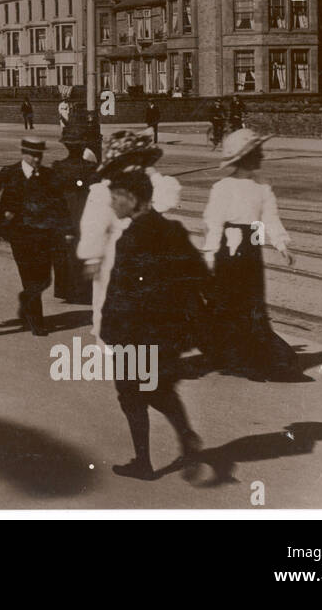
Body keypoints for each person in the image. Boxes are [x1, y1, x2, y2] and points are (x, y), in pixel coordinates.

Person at [101, 167, 206, 480]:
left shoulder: (131, 239)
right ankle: (186, 435)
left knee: (130, 394)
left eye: (115, 198)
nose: (112, 204)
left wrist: (109, 331)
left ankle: (144, 463)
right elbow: (199, 274)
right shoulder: (173, 228)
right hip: (170, 331)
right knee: (158, 387)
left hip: (137, 332)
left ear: (132, 199)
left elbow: (121, 292)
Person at [200, 128, 303, 381]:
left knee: (253, 303)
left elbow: (270, 217)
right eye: (257, 153)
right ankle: (234, 357)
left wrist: (281, 245)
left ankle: (253, 357)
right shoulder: (223, 187)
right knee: (230, 303)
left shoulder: (262, 186)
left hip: (250, 252)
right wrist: (210, 256)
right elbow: (214, 224)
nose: (262, 156)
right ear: (243, 158)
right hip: (228, 251)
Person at [77, 130, 182, 341]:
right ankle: (106, 343)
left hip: (143, 250)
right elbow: (93, 225)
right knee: (106, 298)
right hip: (113, 254)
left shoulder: (148, 187)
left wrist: (151, 172)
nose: (135, 169)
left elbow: (168, 199)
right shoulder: (103, 191)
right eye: (130, 163)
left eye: (139, 163)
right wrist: (92, 256)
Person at [0, 134, 68, 336]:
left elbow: (60, 203)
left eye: (39, 155)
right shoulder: (10, 172)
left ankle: (26, 300)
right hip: (19, 234)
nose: (37, 160)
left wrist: (66, 229)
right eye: (32, 156)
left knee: (45, 278)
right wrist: (1, 213)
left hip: (44, 233)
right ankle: (37, 322)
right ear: (24, 154)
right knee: (29, 276)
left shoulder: (48, 175)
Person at [49, 123, 99, 304]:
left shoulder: (58, 166)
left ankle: (66, 289)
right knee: (83, 246)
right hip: (84, 208)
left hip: (64, 210)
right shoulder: (90, 168)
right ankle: (83, 289)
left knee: (64, 249)